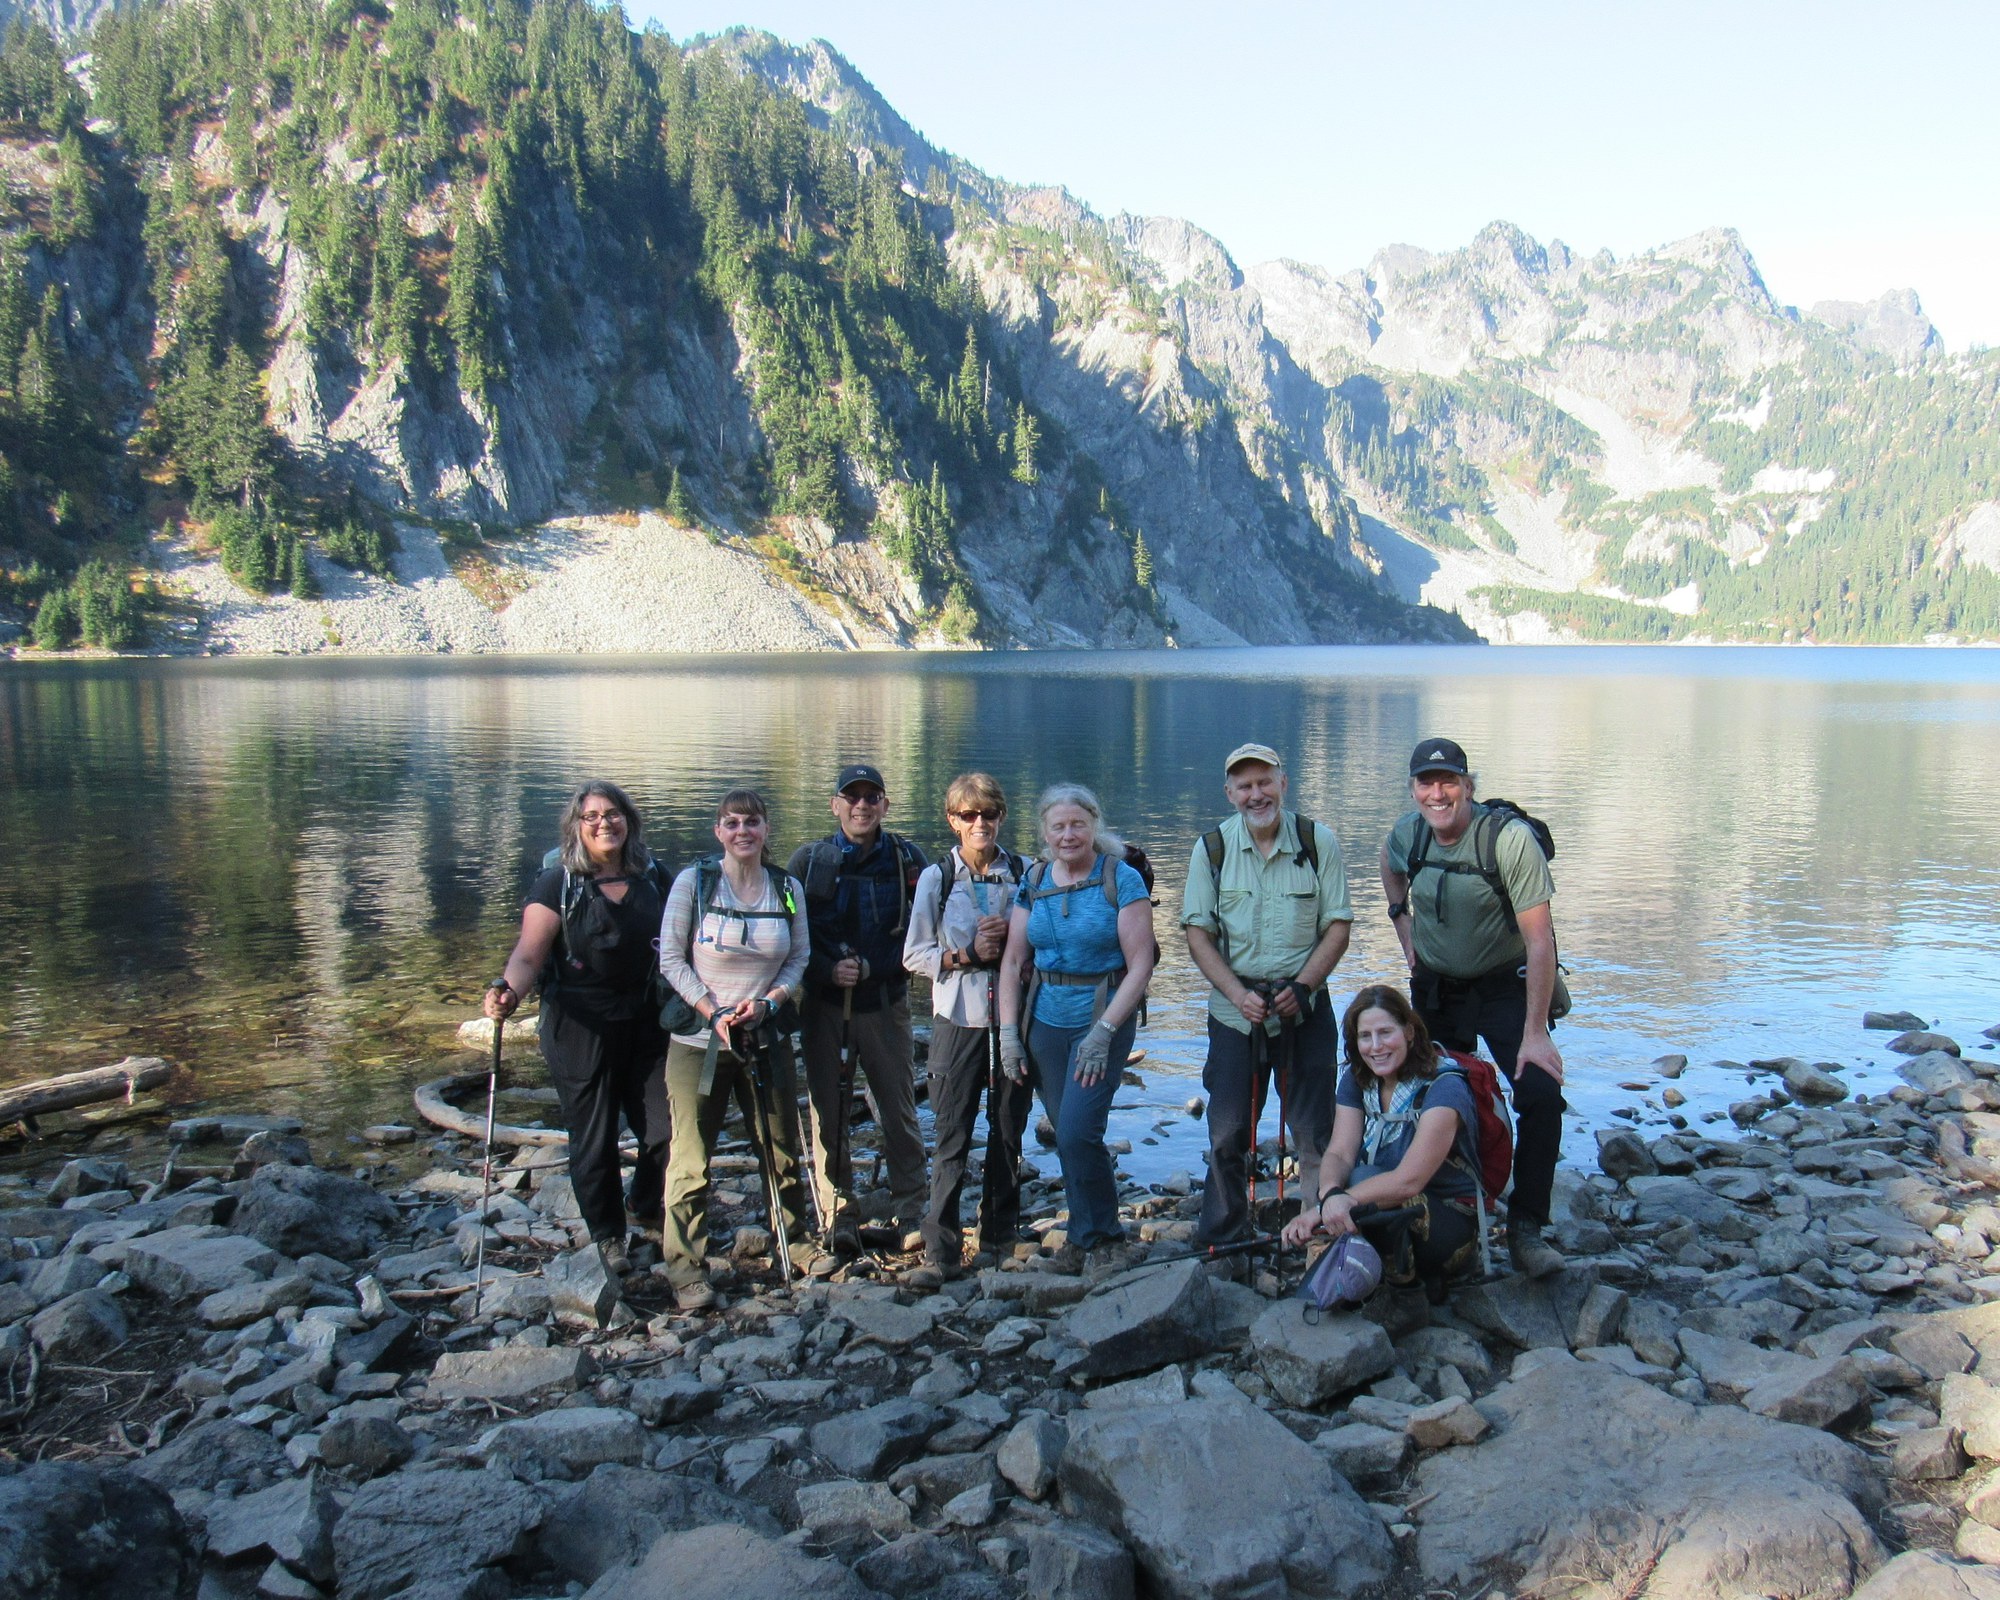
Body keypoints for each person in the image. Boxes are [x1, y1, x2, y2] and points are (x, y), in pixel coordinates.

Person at [1380, 737, 1566, 1278]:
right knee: (1430, 1096)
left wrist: (1536, 1034)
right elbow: (1389, 865)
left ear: (1468, 785)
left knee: (1540, 1092)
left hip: (1506, 986)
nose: (1437, 793)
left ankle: (1528, 1227)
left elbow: (1540, 942)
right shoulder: (1408, 834)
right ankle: (1446, 1214)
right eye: (1425, 782)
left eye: (1449, 782)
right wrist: (1403, 928)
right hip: (1437, 990)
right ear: (1413, 788)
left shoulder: (1507, 842)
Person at [484, 781, 669, 1276]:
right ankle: (608, 1236)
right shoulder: (557, 885)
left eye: (612, 814)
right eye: (591, 817)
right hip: (578, 1024)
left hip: (647, 1022)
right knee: (593, 1135)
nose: (604, 823)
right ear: (577, 827)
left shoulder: (656, 877)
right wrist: (509, 991)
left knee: (664, 1129)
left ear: (629, 820)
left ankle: (644, 1204)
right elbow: (529, 953)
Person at [1181, 742, 1354, 1245]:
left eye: (1265, 782)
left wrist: (1304, 987)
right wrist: (1237, 995)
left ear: (1283, 783)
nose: (1256, 795)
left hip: (1305, 1012)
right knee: (1227, 1131)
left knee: (1314, 1131)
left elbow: (1338, 924)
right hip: (1235, 1017)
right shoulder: (1210, 849)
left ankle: (1319, 1234)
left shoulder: (1318, 842)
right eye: (1245, 786)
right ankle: (1223, 1236)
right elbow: (1198, 933)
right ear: (1229, 793)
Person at [657, 788, 821, 1310]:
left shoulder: (787, 887)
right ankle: (686, 1269)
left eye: (752, 822)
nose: (742, 831)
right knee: (690, 1157)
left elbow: (799, 956)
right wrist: (714, 1011)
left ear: (766, 830)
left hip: (765, 1037)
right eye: (732, 823)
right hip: (697, 1042)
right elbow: (670, 959)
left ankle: (794, 1243)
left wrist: (770, 1003)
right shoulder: (695, 882)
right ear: (718, 831)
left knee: (779, 1146)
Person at [996, 784, 1156, 1273]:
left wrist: (1105, 1030)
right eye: (1058, 826)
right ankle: (1092, 1233)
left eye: (1078, 824)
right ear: (1044, 832)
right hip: (1043, 1022)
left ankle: (1098, 1235)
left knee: (1076, 1131)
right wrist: (1007, 1032)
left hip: (1101, 1017)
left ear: (1094, 826)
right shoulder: (1035, 879)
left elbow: (1142, 963)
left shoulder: (1121, 879)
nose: (1069, 835)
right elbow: (1013, 961)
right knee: (1069, 1134)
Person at [788, 764, 929, 1255]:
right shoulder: (808, 861)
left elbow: (922, 933)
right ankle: (838, 1212)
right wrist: (828, 970)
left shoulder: (908, 860)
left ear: (885, 806)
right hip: (825, 1006)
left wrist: (873, 967)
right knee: (829, 1111)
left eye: (873, 797)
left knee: (898, 1107)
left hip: (886, 1004)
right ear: (836, 805)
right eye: (853, 797)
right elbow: (789, 938)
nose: (862, 805)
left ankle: (911, 1206)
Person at [903, 773, 1031, 1279]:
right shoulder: (938, 877)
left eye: (990, 814)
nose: (981, 824)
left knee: (1007, 1130)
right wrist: (967, 954)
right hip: (956, 1017)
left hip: (1011, 1018)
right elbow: (914, 954)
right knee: (952, 1134)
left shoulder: (1022, 872)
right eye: (969, 815)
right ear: (953, 820)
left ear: (1001, 817)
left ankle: (1000, 1235)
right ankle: (942, 1247)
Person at [1280, 985, 1483, 1294]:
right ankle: (1379, 1273)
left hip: (1450, 1229)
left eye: (1386, 1033)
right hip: (1388, 1210)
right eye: (1365, 1036)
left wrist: (1323, 1211)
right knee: (1351, 1181)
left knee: (1362, 1180)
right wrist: (1331, 1194)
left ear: (1410, 1032)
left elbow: (1408, 1182)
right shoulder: (1359, 1079)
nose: (1376, 1046)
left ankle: (1404, 1293)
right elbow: (1339, 1152)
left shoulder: (1445, 1089)